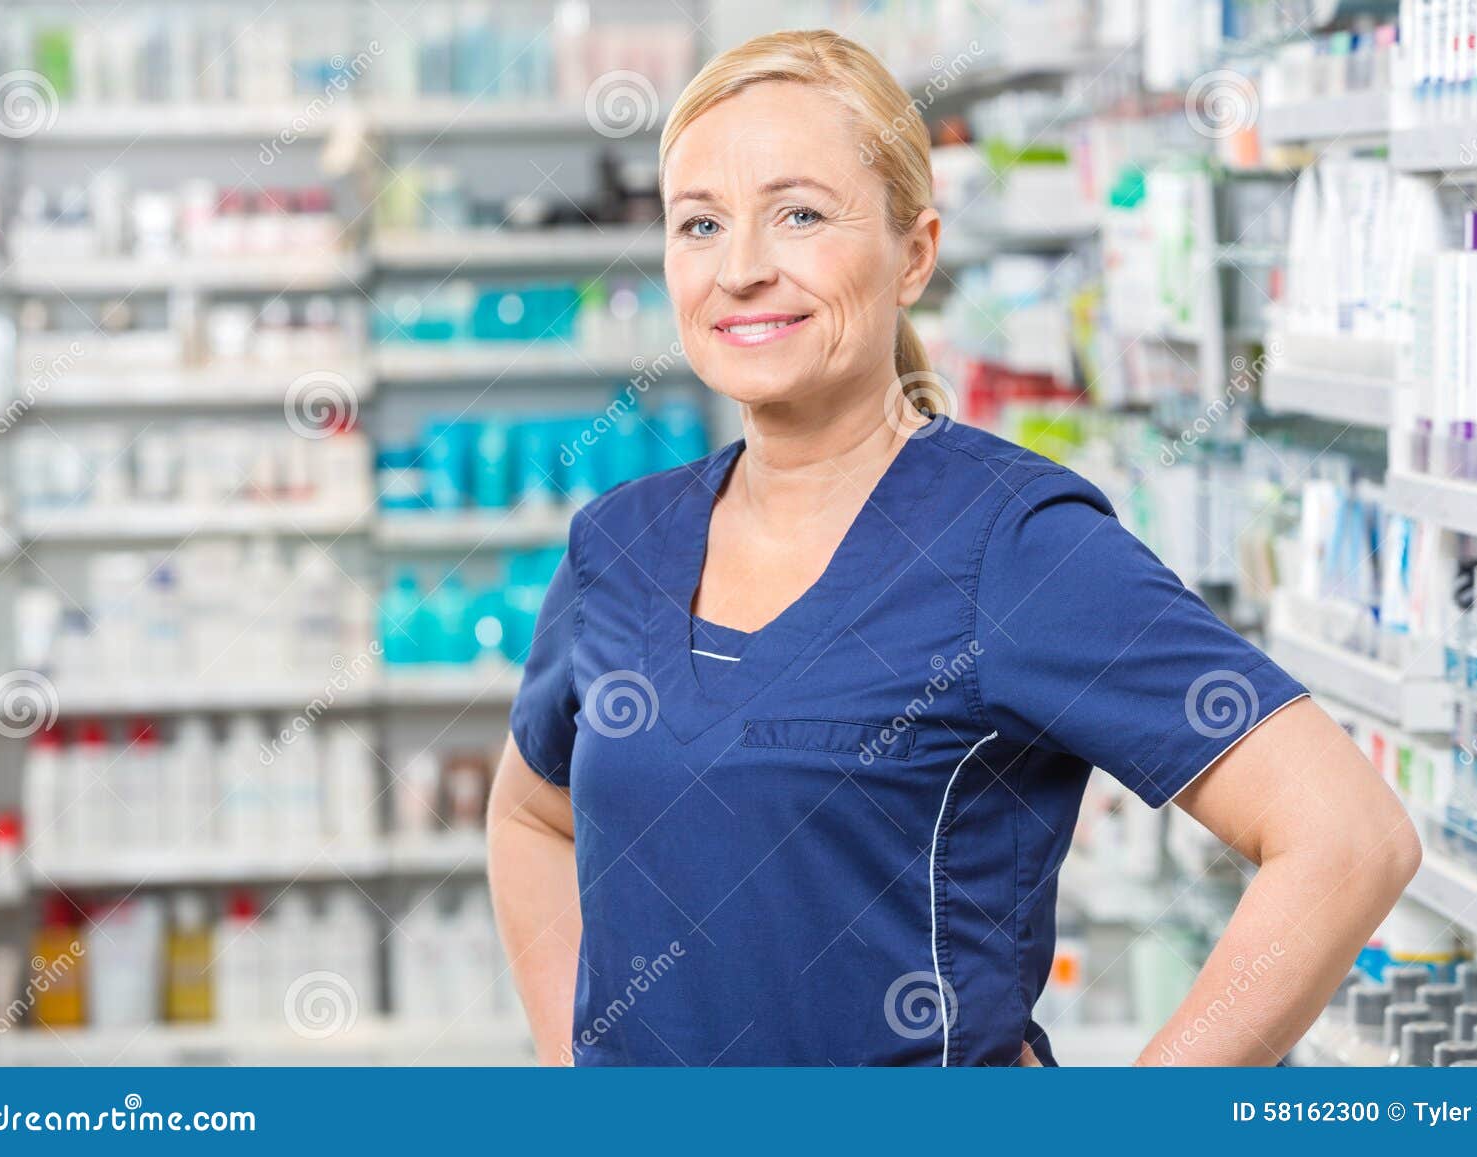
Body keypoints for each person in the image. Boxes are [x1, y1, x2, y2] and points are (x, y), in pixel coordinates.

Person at [487, 29, 1420, 1067]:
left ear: (915, 253)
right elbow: (532, 814)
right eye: (699, 224)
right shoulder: (620, 542)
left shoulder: (1014, 547)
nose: (741, 269)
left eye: (799, 214)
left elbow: (1345, 837)